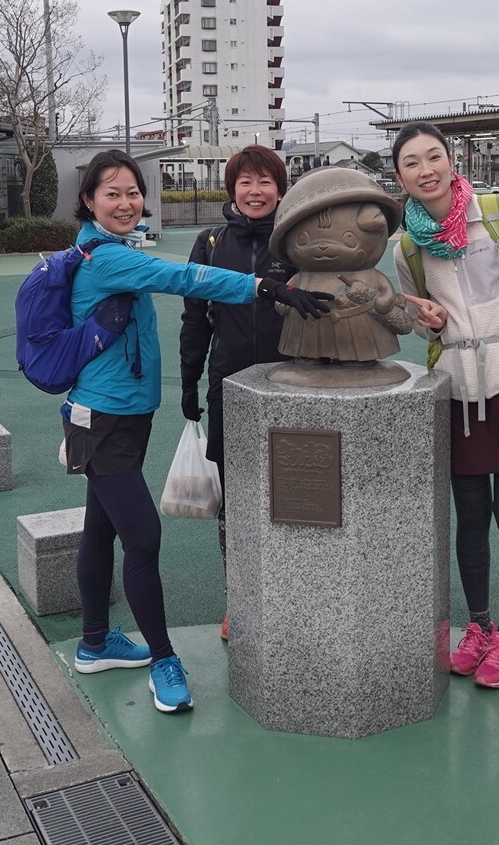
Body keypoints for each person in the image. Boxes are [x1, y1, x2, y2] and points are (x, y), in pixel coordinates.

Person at [62, 149, 330, 713]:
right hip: (105, 420)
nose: (127, 203)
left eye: (133, 192)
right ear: (88, 200)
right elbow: (184, 278)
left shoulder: (110, 249)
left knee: (101, 529)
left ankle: (94, 642)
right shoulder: (108, 258)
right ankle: (163, 660)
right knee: (142, 538)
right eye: (112, 193)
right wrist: (267, 289)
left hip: (119, 416)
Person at [391, 123, 499, 690]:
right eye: (412, 163)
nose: (426, 169)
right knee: (469, 517)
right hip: (456, 389)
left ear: (451, 159)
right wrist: (421, 315)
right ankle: (478, 627)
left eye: (434, 156)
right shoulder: (407, 246)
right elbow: (410, 315)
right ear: (399, 177)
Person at [178, 145, 294, 639]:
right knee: (236, 497)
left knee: (291, 493)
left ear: (280, 189)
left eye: (265, 182)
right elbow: (193, 318)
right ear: (232, 190)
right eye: (245, 182)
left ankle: (292, 593)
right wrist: (189, 382)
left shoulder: (298, 240)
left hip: (292, 385)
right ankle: (241, 599)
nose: (255, 191)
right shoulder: (209, 243)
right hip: (229, 386)